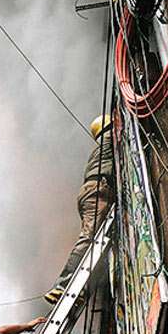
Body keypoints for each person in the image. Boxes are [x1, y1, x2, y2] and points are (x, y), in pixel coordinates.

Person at [45, 114, 115, 305]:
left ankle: (80, 288)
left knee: (94, 240)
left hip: (93, 191)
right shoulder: (109, 138)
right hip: (97, 191)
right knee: (90, 237)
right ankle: (62, 284)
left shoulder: (101, 148)